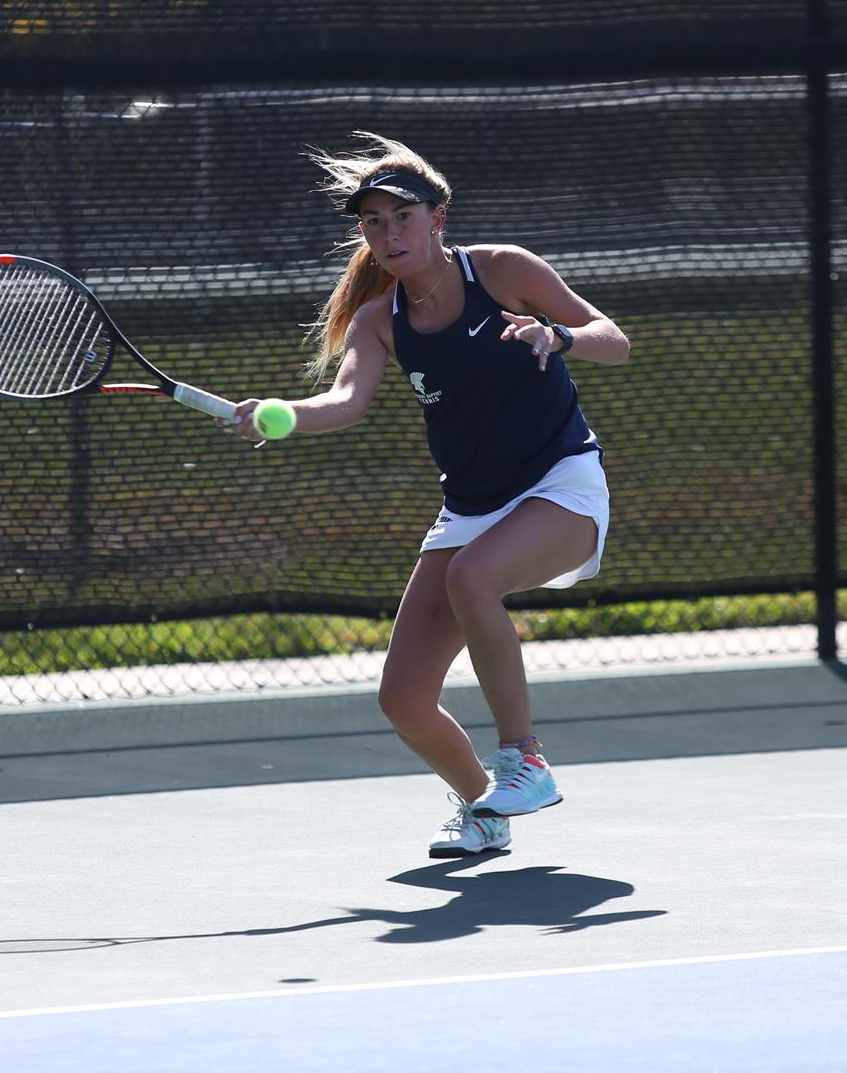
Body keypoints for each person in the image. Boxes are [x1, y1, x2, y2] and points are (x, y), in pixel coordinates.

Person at [220, 133, 630, 858]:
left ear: (438, 218)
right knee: (403, 699)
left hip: (562, 483)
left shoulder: (504, 270)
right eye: (372, 222)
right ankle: (484, 809)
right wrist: (281, 414)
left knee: (477, 578)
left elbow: (613, 338)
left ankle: (524, 759)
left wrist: (557, 337)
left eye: (401, 216)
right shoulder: (380, 321)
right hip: (470, 507)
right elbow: (345, 401)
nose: (387, 233)